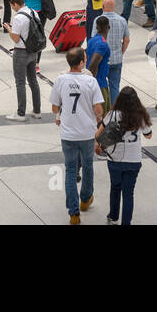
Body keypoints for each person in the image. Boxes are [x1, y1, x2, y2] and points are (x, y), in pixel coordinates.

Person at [50, 46, 105, 224]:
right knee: (88, 166)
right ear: (81, 63)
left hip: (68, 134)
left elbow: (54, 108)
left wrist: (61, 113)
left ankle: (73, 212)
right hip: (87, 133)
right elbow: (98, 108)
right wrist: (99, 117)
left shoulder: (60, 80)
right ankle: (86, 198)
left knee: (71, 171)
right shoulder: (90, 81)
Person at [95, 86, 152, 225]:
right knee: (128, 193)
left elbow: (98, 135)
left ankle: (113, 216)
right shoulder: (141, 116)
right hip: (134, 160)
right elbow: (148, 135)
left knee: (115, 187)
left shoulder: (112, 115)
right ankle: (126, 222)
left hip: (115, 159)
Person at [2, 0, 43, 121]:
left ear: (15, 4)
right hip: (33, 50)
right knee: (33, 81)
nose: (12, 8)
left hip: (21, 52)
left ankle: (21, 113)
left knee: (20, 82)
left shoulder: (18, 18)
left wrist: (9, 28)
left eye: (11, 6)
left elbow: (15, 38)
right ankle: (37, 111)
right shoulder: (33, 12)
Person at [99, 0, 130, 105]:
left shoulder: (98, 21)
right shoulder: (122, 21)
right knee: (114, 86)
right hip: (117, 59)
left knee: (101, 86)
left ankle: (104, 109)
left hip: (102, 60)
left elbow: (95, 41)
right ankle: (114, 111)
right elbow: (127, 40)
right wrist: (121, 52)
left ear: (102, 7)